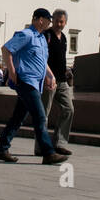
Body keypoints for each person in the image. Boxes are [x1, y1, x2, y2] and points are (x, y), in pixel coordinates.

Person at [0, 9, 61, 164]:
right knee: (40, 116)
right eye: (48, 20)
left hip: (36, 83)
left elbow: (42, 61)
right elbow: (6, 49)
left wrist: (50, 75)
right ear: (40, 20)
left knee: (18, 117)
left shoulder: (42, 38)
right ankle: (48, 153)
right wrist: (12, 71)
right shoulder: (26, 35)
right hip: (25, 81)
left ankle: (1, 149)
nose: (50, 23)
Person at [34, 8, 73, 157]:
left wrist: (67, 72)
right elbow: (41, 58)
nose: (59, 24)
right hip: (48, 80)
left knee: (69, 109)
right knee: (44, 113)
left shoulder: (63, 37)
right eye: (56, 20)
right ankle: (41, 147)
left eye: (61, 21)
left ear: (65, 23)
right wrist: (47, 76)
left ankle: (59, 143)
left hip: (62, 81)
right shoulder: (46, 35)